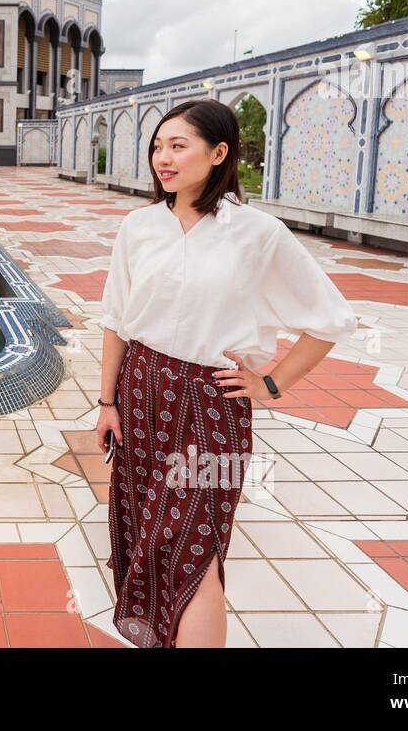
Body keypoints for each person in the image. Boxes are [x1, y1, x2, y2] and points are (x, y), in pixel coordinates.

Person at [96, 99, 357, 648]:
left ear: (218, 154)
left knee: (194, 542)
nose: (162, 158)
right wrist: (106, 402)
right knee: (148, 533)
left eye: (177, 145)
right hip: (141, 391)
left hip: (211, 403)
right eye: (157, 146)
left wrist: (271, 382)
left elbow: (330, 319)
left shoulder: (258, 232)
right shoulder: (139, 226)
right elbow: (117, 321)